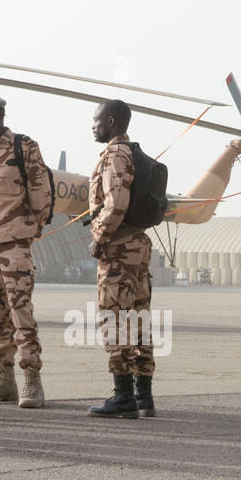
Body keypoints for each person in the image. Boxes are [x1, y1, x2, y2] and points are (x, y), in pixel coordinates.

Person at [0, 94, 53, 409]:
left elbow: (40, 193)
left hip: (15, 241)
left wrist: (31, 228)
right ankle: (5, 379)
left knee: (20, 309)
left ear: (1, 114)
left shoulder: (24, 146)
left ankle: (32, 377)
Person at [86, 99, 154, 419]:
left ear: (111, 121)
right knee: (139, 319)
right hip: (139, 244)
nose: (93, 126)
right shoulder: (136, 153)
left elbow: (116, 202)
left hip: (120, 247)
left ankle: (123, 395)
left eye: (97, 120)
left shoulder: (115, 155)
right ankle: (144, 395)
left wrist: (99, 237)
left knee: (115, 318)